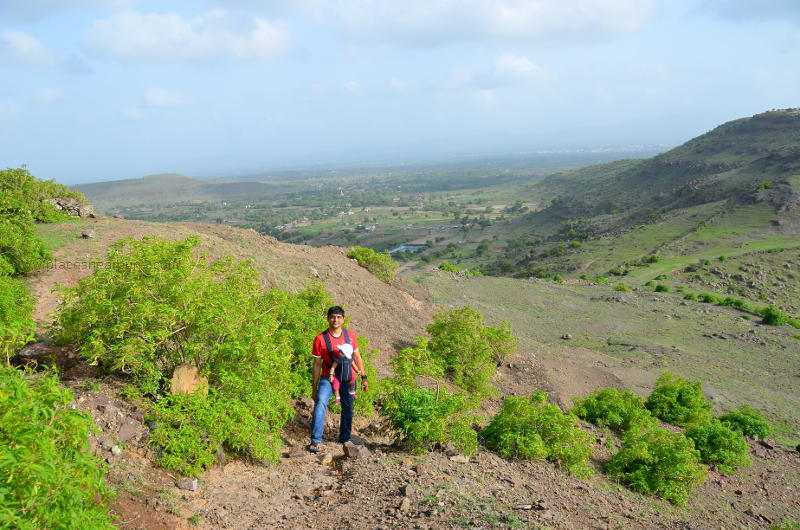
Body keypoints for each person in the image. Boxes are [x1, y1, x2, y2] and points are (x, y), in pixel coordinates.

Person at [309, 306, 368, 452]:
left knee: (348, 407)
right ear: (328, 318)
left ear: (343, 319)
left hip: (348, 378)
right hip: (328, 378)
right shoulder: (320, 339)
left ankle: (345, 438)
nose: (335, 320)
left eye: (339, 317)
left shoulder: (350, 335)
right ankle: (316, 441)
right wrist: (314, 388)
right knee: (321, 402)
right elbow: (317, 364)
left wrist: (363, 377)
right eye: (333, 317)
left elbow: (357, 357)